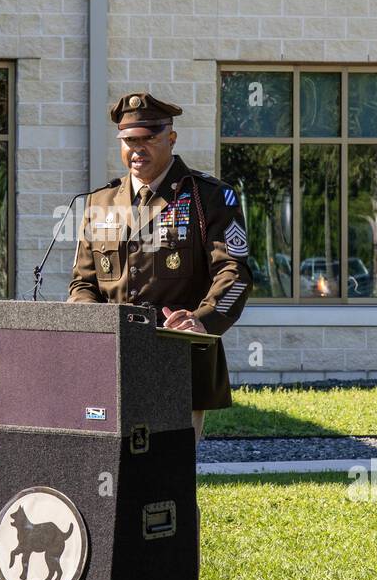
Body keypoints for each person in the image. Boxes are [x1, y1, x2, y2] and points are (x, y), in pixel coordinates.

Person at [68, 92, 253, 440]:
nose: (137, 149)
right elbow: (82, 283)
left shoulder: (208, 196)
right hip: (112, 360)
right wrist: (91, 328)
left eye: (149, 138)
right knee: (110, 470)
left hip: (178, 359)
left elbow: (235, 274)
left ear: (171, 138)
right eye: (129, 140)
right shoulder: (99, 202)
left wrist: (202, 321)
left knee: (170, 476)